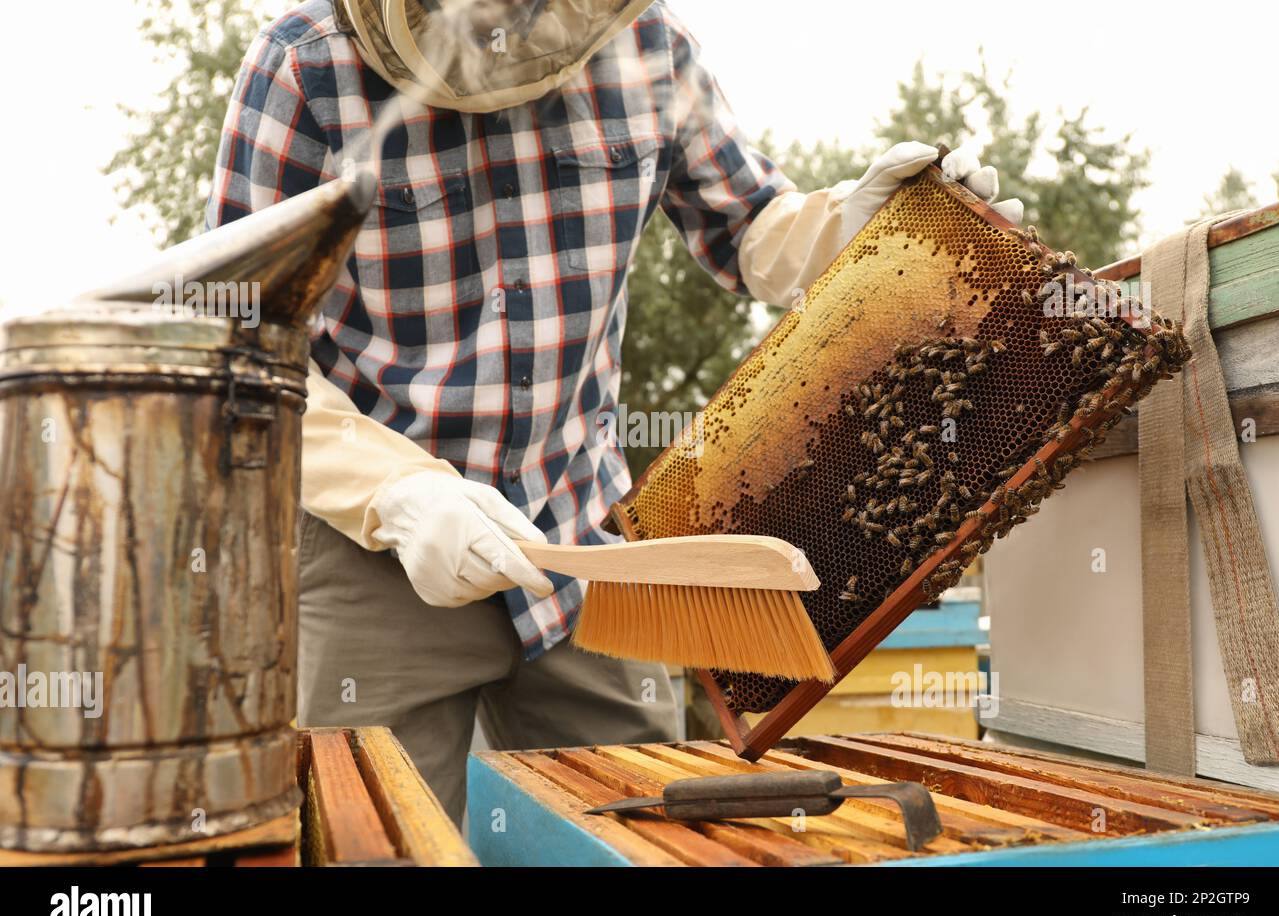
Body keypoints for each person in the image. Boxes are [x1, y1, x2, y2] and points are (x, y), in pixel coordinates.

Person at [206, 0, 1022, 822]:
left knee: (641, 823)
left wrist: (843, 227)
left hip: (583, 542)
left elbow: (749, 225)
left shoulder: (649, 46)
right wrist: (394, 494)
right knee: (372, 834)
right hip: (376, 557)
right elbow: (241, 341)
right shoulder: (304, 65)